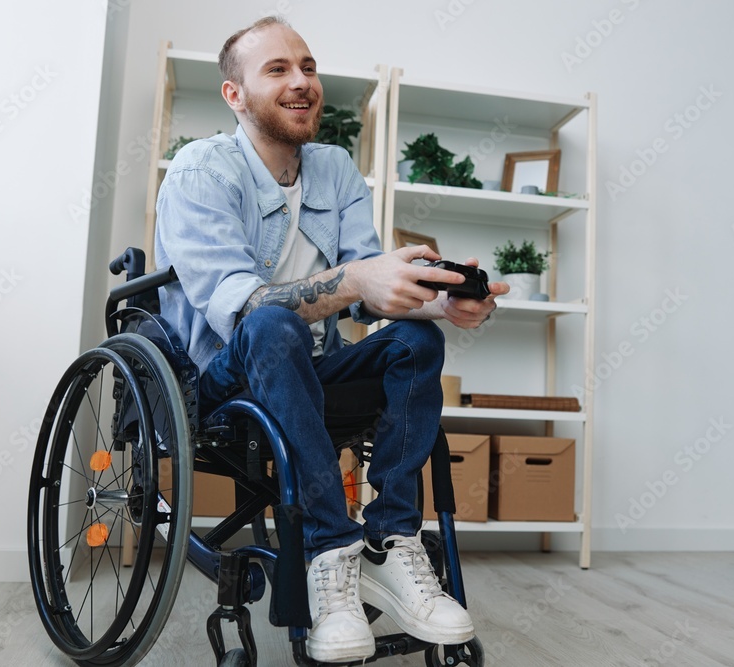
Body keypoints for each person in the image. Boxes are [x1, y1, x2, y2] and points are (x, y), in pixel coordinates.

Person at [155, 16, 508, 663]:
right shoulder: (200, 170)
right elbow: (242, 308)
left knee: (416, 340)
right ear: (235, 94)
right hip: (223, 379)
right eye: (278, 69)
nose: (302, 81)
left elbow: (368, 291)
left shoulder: (335, 168)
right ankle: (330, 547)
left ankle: (390, 543)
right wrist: (357, 279)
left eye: (308, 67)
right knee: (272, 323)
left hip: (314, 371)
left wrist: (442, 299)